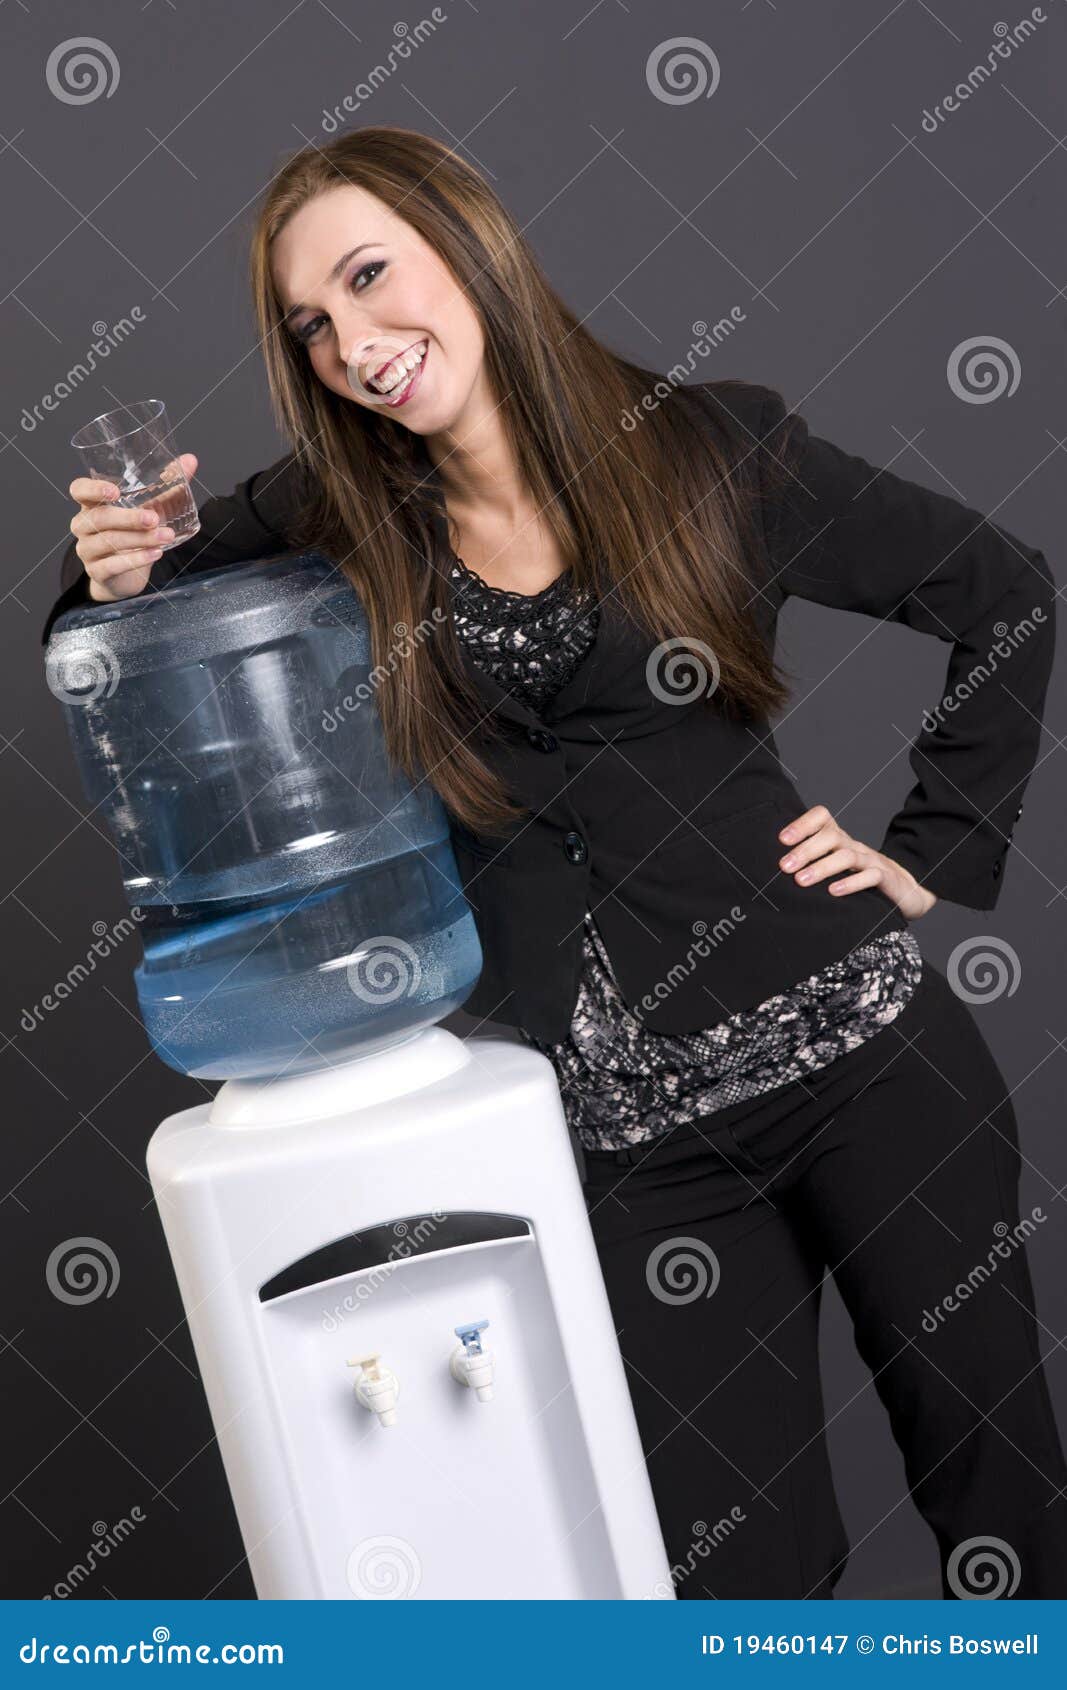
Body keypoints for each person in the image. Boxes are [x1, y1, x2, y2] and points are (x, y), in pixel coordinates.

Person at [43, 125, 1066, 1599]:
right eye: (311, 325)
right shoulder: (339, 517)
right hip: (631, 1154)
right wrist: (105, 575)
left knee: (1002, 1500)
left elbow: (1005, 595)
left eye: (370, 274)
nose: (353, 342)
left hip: (866, 1067)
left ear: (469, 243)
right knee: (736, 1575)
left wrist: (933, 850)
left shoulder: (712, 446)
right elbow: (111, 656)